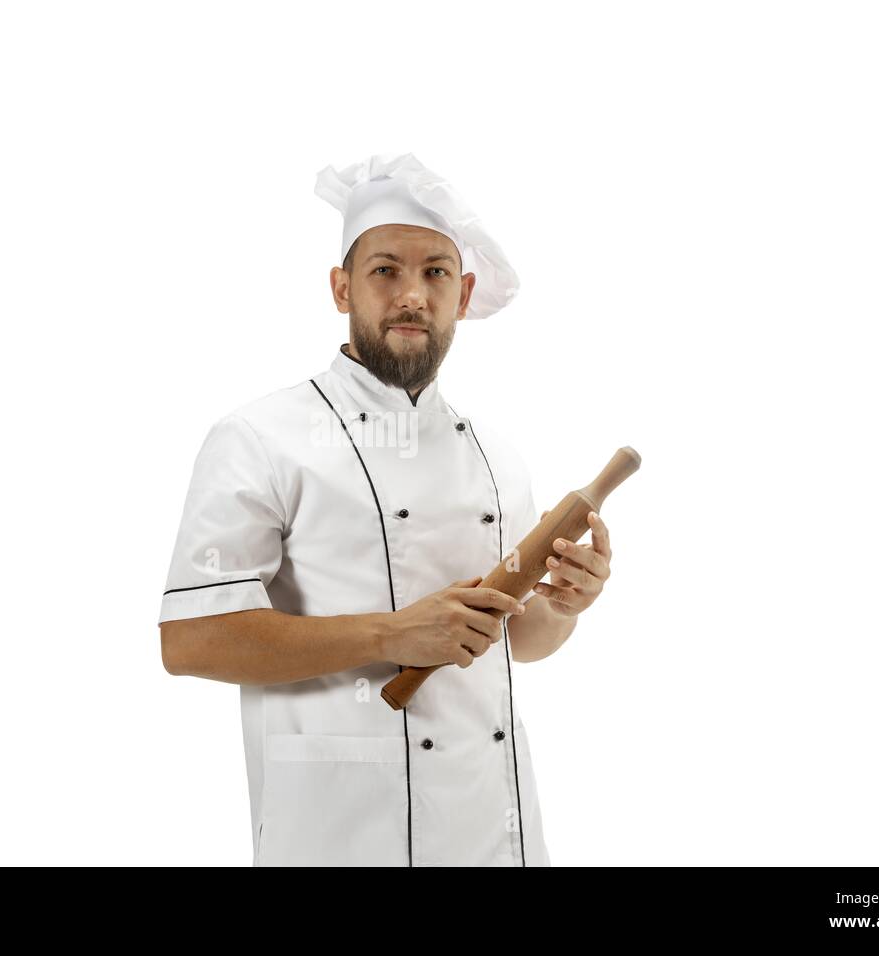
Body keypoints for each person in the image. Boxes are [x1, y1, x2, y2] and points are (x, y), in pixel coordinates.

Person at [158, 153, 614, 866]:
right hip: (341, 832)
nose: (411, 295)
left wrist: (565, 605)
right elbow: (190, 642)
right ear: (341, 288)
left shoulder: (498, 455)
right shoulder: (259, 437)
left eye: (434, 272)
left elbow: (518, 643)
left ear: (462, 294)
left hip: (494, 836)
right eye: (384, 270)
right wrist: (392, 634)